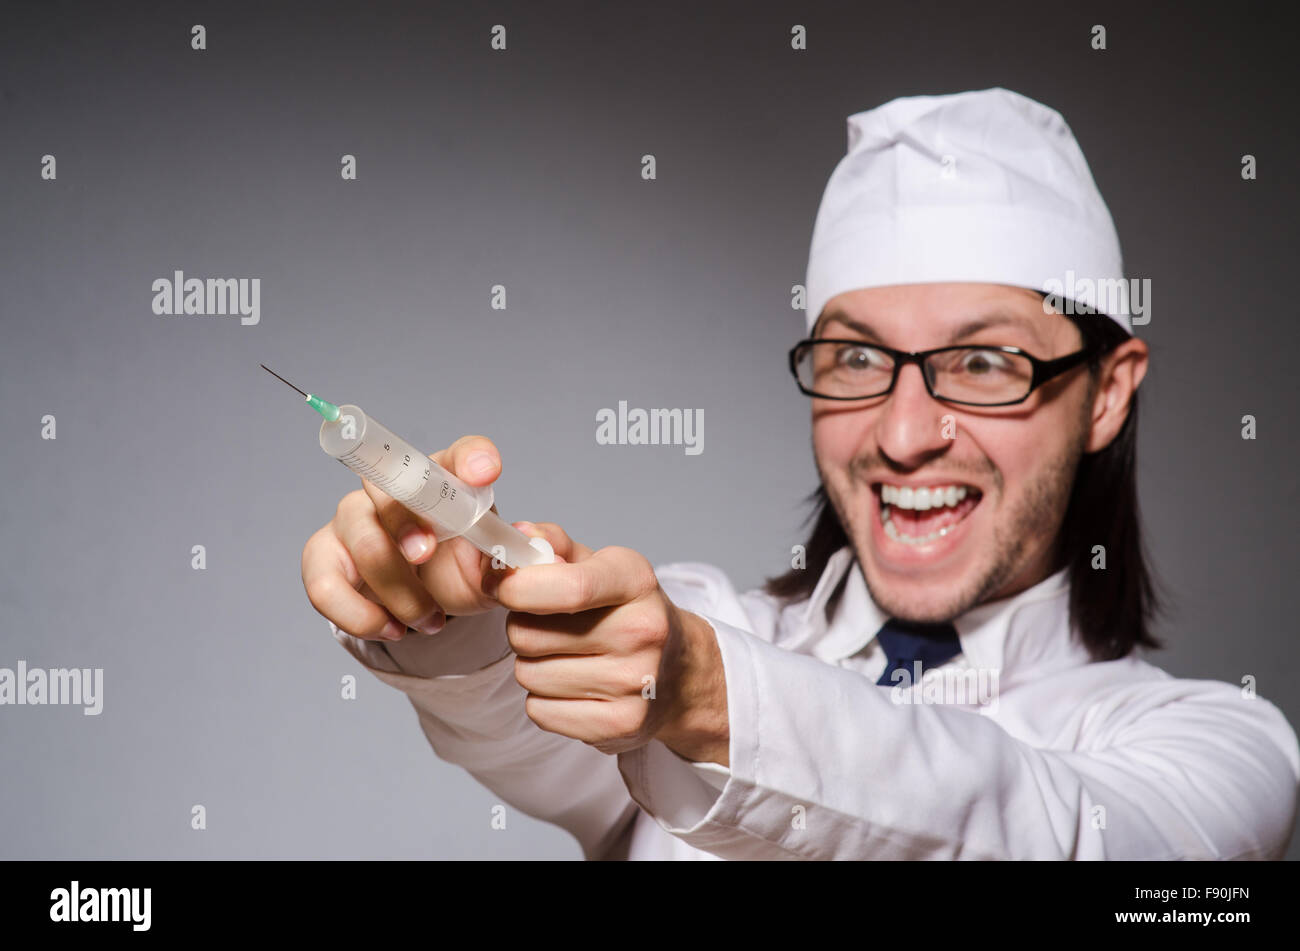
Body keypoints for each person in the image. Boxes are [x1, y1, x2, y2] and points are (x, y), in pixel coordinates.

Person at [300, 88, 1300, 859]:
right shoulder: (702, 623)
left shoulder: (1220, 750)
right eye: (857, 358)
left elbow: (1063, 837)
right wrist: (449, 610)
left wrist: (708, 698)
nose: (904, 434)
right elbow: (519, 719)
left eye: (983, 363)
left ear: (1108, 393)